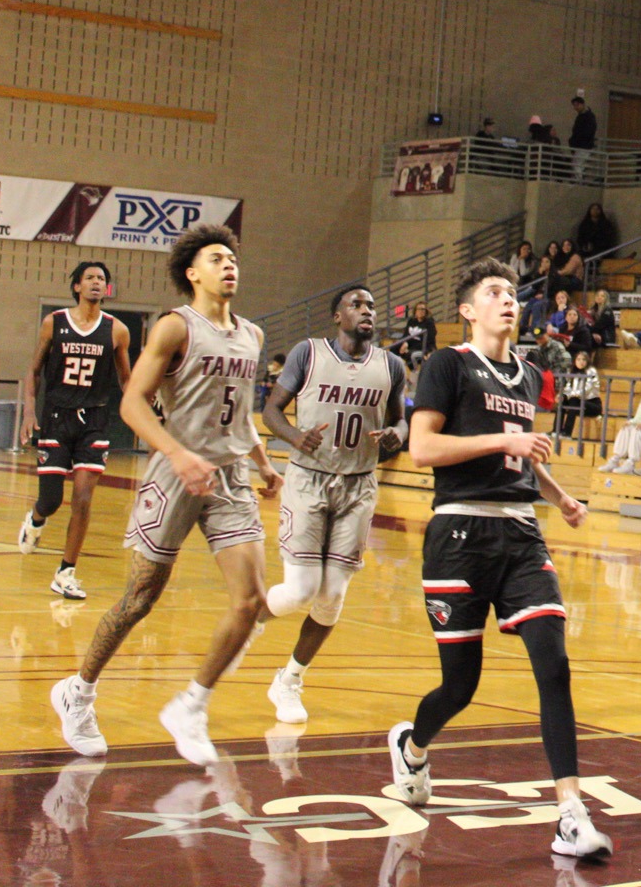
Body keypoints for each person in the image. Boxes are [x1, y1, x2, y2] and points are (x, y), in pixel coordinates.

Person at [385, 259, 608, 860]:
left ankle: (569, 811)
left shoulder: (530, 374)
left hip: (521, 536)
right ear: (467, 309)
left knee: (553, 664)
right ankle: (413, 747)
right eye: (493, 292)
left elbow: (525, 454)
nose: (507, 300)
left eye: (512, 292)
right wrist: (502, 440)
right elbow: (421, 448)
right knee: (459, 688)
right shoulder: (447, 364)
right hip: (458, 533)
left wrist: (559, 497)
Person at [51, 225, 282, 765]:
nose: (229, 265)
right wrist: (177, 454)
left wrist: (266, 465)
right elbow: (134, 403)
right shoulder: (176, 327)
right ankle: (78, 692)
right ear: (191, 273)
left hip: (226, 479)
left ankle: (191, 705)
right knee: (141, 598)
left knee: (250, 602)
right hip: (176, 474)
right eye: (216, 258)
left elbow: (239, 411)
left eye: (232, 258)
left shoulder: (250, 334)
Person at [259, 285, 406, 726]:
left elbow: (400, 418)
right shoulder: (309, 353)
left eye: (371, 306)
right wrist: (293, 437)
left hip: (359, 484)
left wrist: (399, 434)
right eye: (356, 305)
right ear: (336, 316)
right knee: (301, 590)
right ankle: (253, 616)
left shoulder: (392, 365)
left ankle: (288, 679)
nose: (366, 311)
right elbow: (270, 411)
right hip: (308, 479)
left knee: (332, 598)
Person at [16, 262, 133, 600]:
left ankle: (66, 571)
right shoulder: (54, 323)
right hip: (56, 418)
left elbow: (126, 380)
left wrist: (145, 406)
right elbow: (34, 370)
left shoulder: (117, 330)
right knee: (51, 500)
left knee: (82, 499)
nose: (98, 283)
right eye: (91, 278)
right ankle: (37, 519)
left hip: (94, 421)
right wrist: (28, 411)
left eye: (102, 280)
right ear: (77, 286)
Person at [600, 371, 641, 474]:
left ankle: (631, 463)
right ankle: (616, 459)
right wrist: (630, 422)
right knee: (626, 427)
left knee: (637, 429)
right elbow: (638, 417)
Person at [560, 350, 604, 440]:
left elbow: (587, 390)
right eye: (578, 359)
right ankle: (556, 430)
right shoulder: (573, 372)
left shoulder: (591, 371)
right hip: (577, 401)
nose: (581, 362)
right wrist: (564, 395)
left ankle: (567, 433)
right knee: (563, 400)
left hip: (592, 404)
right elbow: (568, 387)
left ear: (587, 361)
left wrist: (573, 395)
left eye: (583, 359)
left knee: (574, 401)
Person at [392, 302, 436, 369]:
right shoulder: (411, 321)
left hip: (423, 346)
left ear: (426, 311)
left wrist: (408, 349)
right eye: (418, 309)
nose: (420, 311)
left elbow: (429, 341)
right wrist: (405, 343)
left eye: (423, 309)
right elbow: (406, 335)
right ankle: (398, 366)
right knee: (393, 347)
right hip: (410, 345)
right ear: (415, 311)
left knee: (411, 354)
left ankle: (414, 372)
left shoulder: (429, 323)